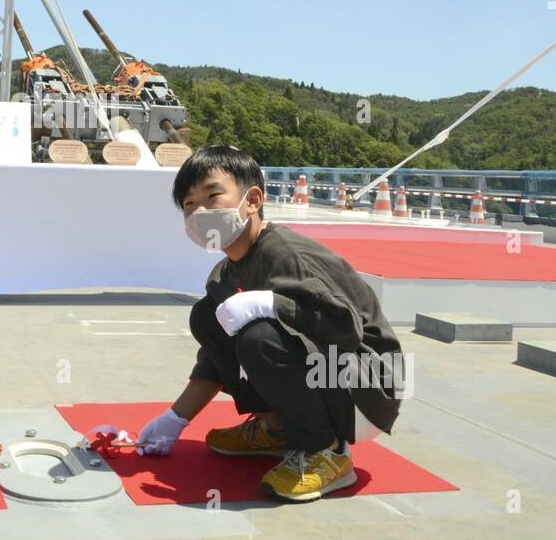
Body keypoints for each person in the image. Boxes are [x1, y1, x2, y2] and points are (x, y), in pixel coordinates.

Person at [136, 145, 403, 503]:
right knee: (206, 316)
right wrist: (174, 419)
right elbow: (215, 358)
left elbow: (344, 328)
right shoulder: (223, 275)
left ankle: (327, 453)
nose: (200, 211)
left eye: (213, 195)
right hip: (330, 378)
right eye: (189, 205)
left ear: (252, 200)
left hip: (368, 392)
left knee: (259, 337)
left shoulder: (285, 254)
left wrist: (272, 304)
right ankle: (277, 429)